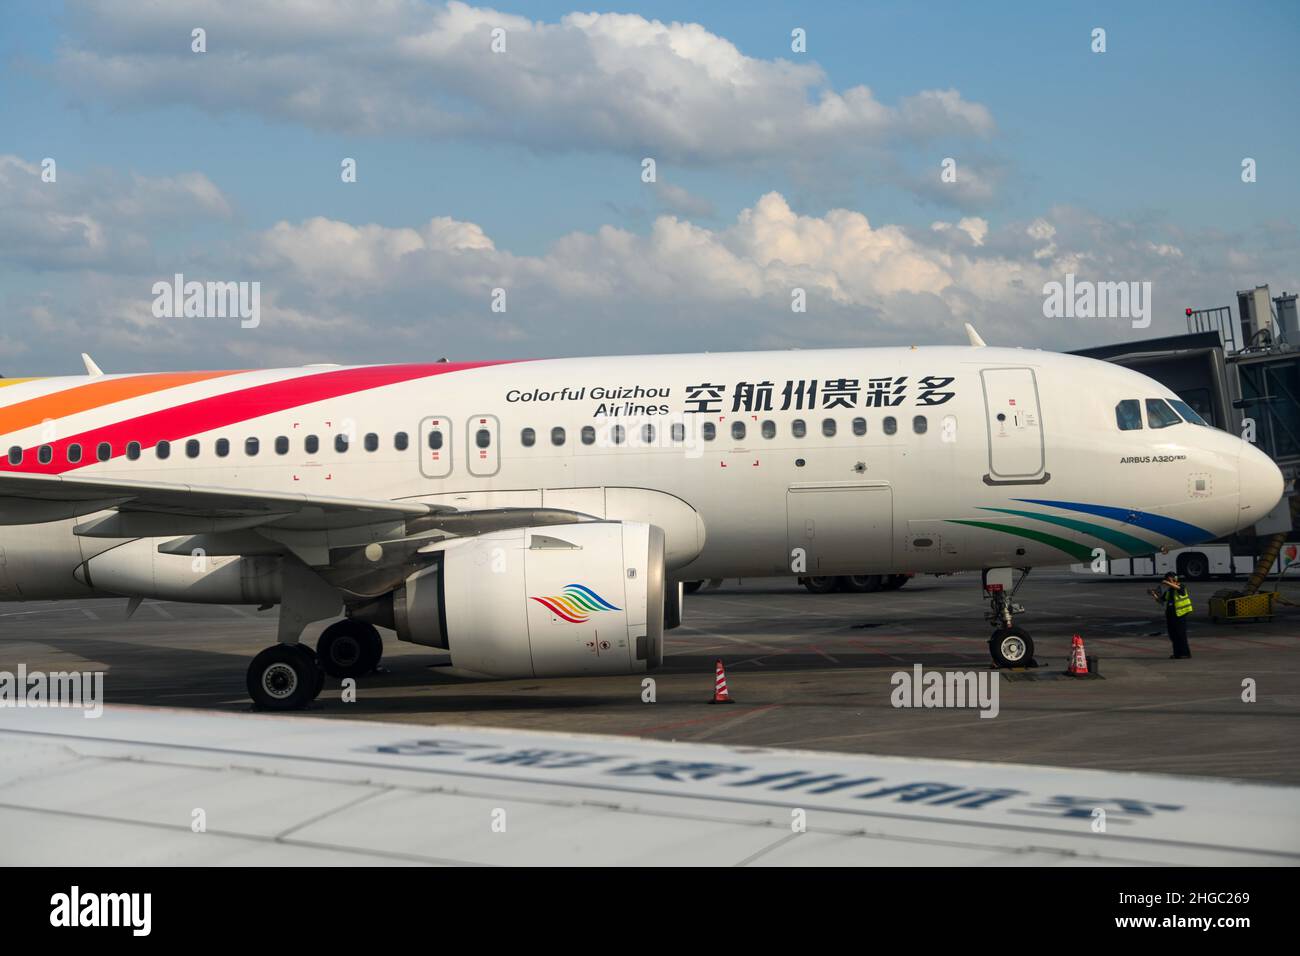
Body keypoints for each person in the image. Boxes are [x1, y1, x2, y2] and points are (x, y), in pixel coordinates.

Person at [1150, 571, 1193, 658]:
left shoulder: (1181, 586)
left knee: (1181, 634)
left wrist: (1167, 582)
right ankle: (1177, 653)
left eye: (1170, 579)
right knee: (1173, 635)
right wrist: (1154, 594)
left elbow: (1178, 589)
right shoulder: (1169, 591)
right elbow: (1161, 601)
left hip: (1180, 615)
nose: (1168, 581)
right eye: (1167, 580)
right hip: (1171, 615)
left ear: (1175, 579)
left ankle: (1185, 654)